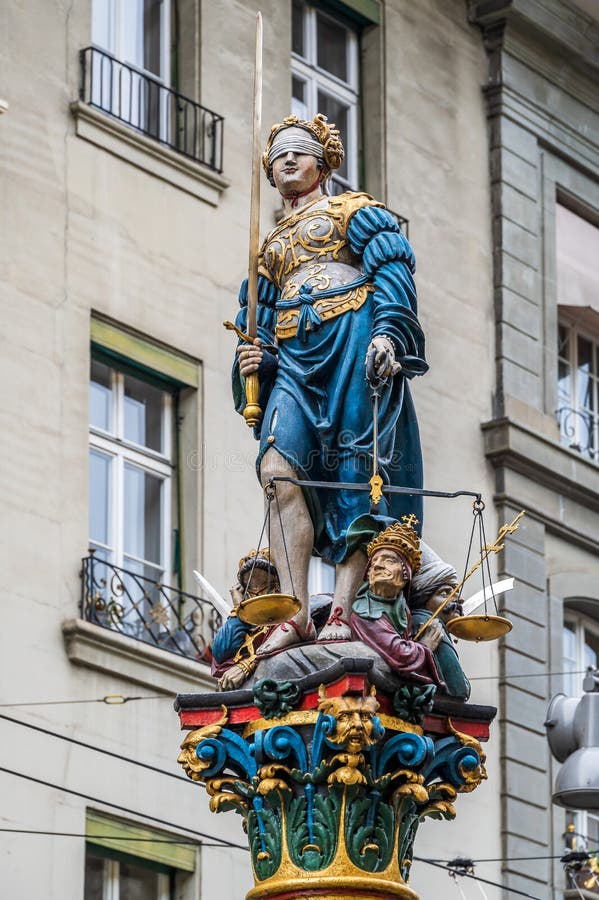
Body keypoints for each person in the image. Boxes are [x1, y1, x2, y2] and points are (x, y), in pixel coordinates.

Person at [232, 114, 428, 655]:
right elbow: (258, 321)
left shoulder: (354, 212)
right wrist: (254, 360)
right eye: (278, 156)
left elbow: (393, 270)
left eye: (300, 151)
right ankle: (293, 612)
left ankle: (343, 606)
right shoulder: (267, 248)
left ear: (323, 161)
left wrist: (389, 332)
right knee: (278, 470)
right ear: (270, 173)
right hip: (295, 359)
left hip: (350, 342)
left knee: (353, 474)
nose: (288, 160)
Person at [349, 519, 444, 687]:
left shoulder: (401, 609)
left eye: (388, 561)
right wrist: (425, 645)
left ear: (405, 575)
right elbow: (399, 654)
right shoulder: (366, 611)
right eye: (373, 563)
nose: (377, 566)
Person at [211, 549, 280, 691]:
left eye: (265, 585)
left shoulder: (286, 615)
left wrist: (246, 666)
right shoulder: (247, 624)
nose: (258, 593)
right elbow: (221, 651)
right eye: (252, 587)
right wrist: (240, 609)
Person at [408, 543, 471, 699]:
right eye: (445, 593)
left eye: (455, 594)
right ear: (424, 598)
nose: (458, 601)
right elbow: (459, 689)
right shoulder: (428, 623)